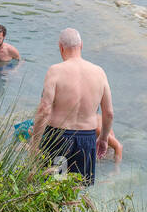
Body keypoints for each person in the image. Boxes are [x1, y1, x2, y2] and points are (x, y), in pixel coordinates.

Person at [30, 28, 113, 187]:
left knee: (53, 188)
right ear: (81, 46)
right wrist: (103, 138)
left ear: (60, 47)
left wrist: (35, 144)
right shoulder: (99, 72)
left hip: (59, 138)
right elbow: (108, 113)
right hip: (87, 139)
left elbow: (44, 109)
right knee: (78, 191)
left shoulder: (55, 71)